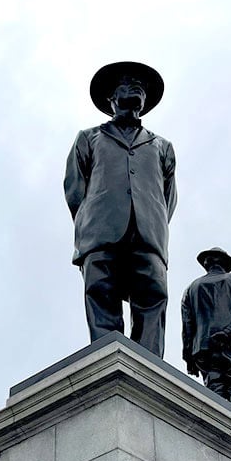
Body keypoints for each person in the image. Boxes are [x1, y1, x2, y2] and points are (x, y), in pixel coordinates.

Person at [64, 61, 177, 357]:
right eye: (127, 83)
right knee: (101, 292)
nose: (136, 87)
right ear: (111, 98)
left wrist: (150, 220)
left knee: (152, 295)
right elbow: (75, 190)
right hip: (101, 231)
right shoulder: (88, 138)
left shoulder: (162, 146)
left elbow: (167, 198)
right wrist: (94, 221)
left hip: (148, 233)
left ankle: (149, 366)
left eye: (140, 86)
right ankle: (105, 359)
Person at [180, 247, 231, 410]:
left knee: (214, 389)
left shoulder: (191, 289)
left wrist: (188, 356)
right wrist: (229, 332)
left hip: (204, 348)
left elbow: (187, 326)